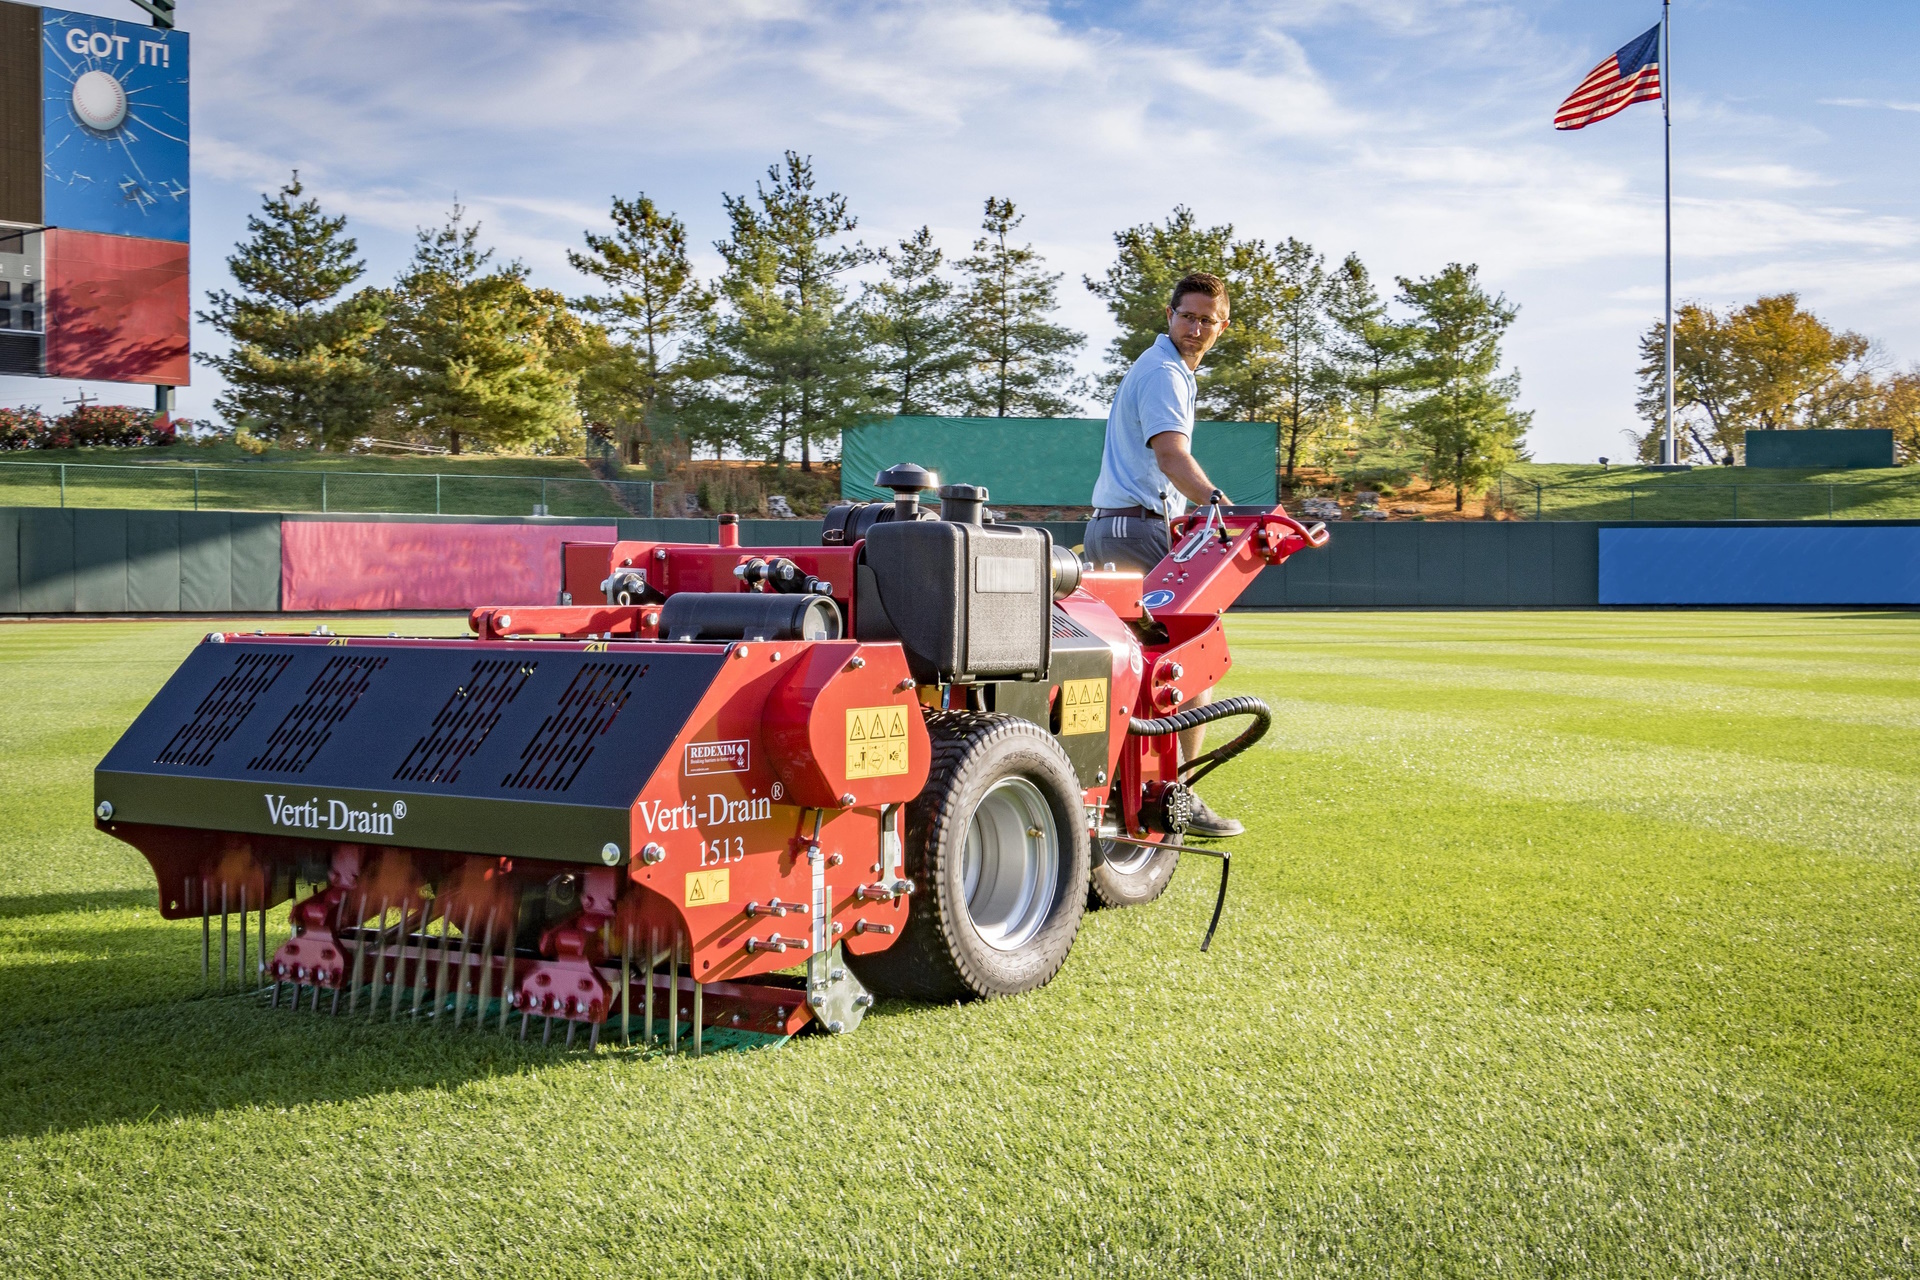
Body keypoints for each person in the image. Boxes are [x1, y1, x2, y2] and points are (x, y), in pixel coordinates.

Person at [1085, 271, 1243, 839]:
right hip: (1138, 530)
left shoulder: (1157, 368)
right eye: (1188, 315)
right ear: (1169, 315)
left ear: (1222, 326)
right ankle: (1174, 794)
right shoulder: (1164, 373)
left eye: (1207, 319)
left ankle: (1117, 790)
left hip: (1114, 527)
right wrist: (1217, 504)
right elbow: (1172, 455)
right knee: (1194, 653)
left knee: (1126, 667)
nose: (1196, 327)